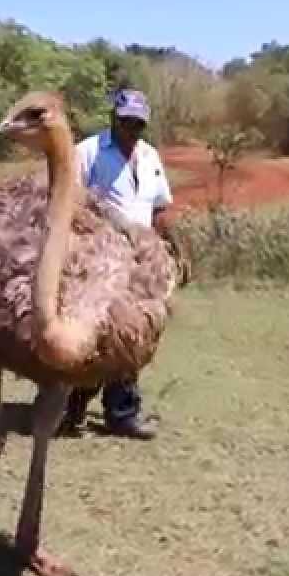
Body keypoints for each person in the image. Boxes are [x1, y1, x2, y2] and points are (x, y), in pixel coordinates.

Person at [61, 88, 173, 440]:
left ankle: (121, 413)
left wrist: (165, 249)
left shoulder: (149, 156)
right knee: (91, 333)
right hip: (97, 259)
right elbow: (68, 199)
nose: (131, 128)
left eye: (138, 124)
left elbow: (159, 207)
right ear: (113, 117)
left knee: (130, 335)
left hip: (139, 262)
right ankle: (70, 408)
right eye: (125, 121)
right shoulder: (88, 152)